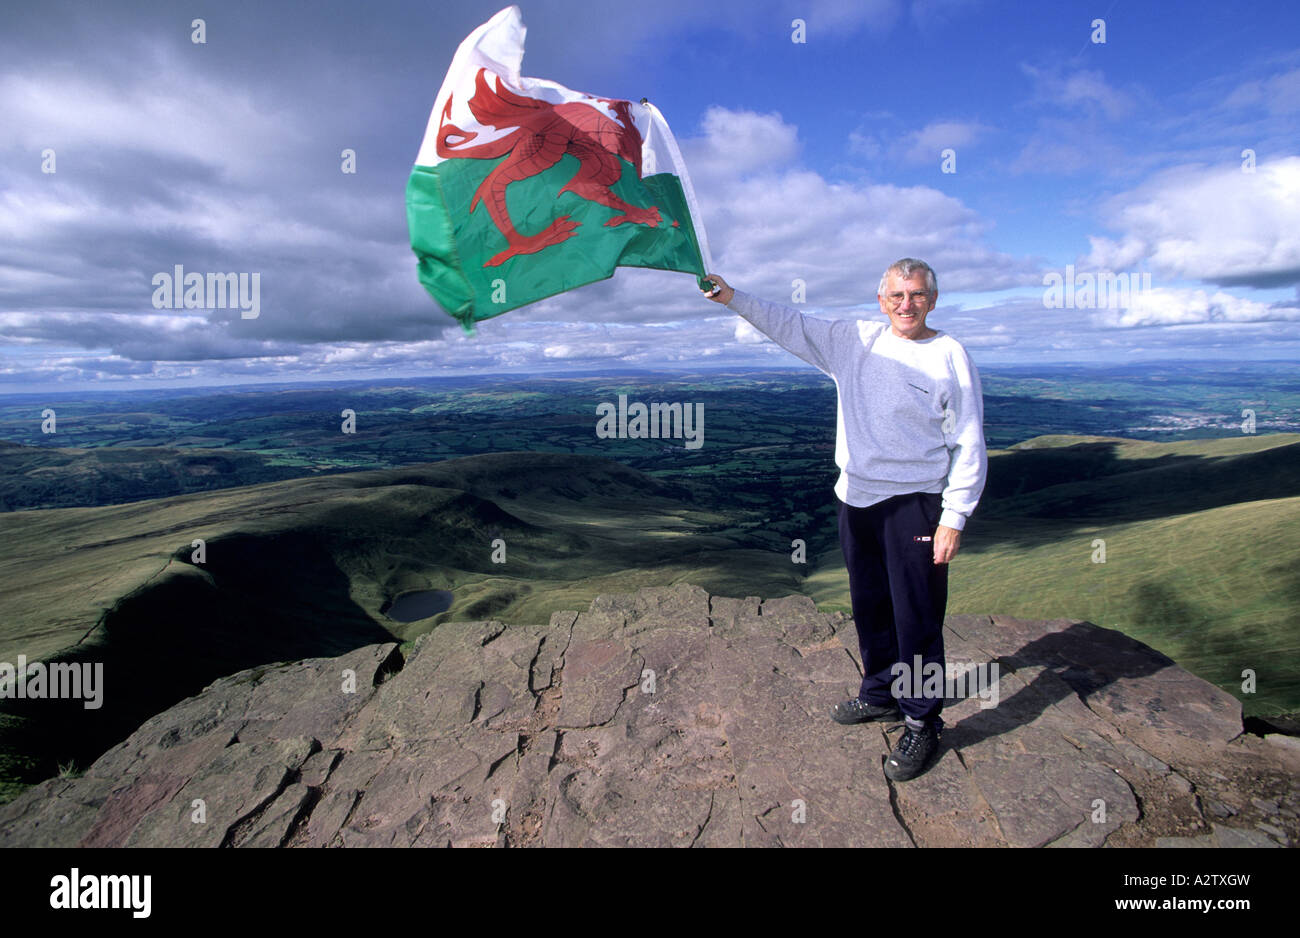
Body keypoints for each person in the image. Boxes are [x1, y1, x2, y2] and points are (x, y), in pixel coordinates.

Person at [701, 259, 987, 781]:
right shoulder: (854, 341)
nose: (907, 304)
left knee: (917, 617)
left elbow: (968, 440)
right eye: (897, 295)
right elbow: (791, 324)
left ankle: (922, 720)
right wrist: (732, 297)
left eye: (918, 295)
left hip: (915, 502)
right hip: (855, 499)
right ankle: (879, 693)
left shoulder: (949, 355)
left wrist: (955, 516)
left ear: (933, 299)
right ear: (882, 301)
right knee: (870, 606)